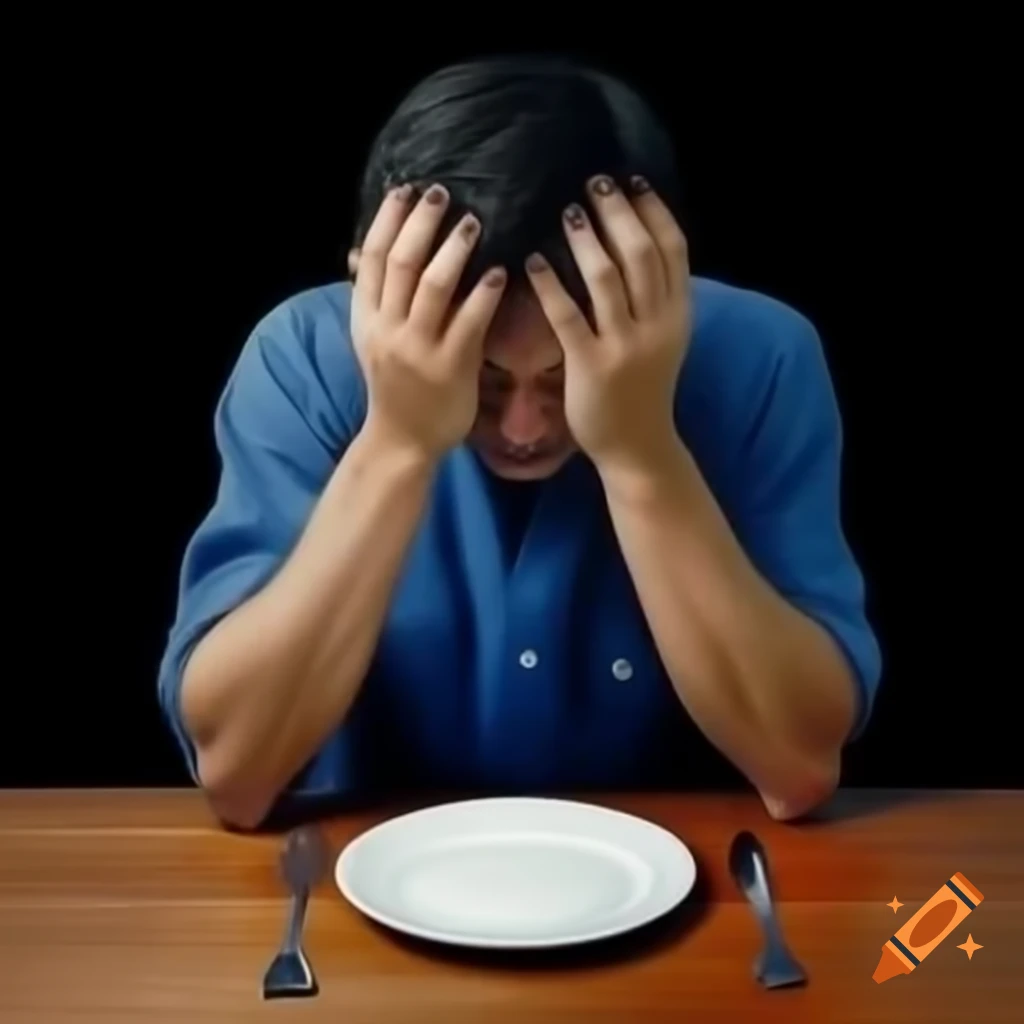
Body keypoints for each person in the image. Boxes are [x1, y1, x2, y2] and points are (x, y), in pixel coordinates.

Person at [158, 54, 881, 830]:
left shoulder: (763, 360)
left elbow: (797, 767)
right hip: (365, 880)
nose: (524, 430)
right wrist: (397, 441)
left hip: (692, 876)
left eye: (564, 377)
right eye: (485, 381)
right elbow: (237, 774)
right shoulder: (305, 360)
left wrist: (641, 451)